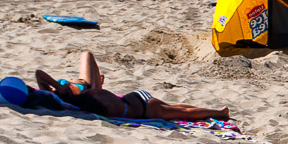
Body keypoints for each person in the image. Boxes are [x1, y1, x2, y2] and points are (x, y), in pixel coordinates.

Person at [36, 51, 229, 122]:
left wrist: (56, 87)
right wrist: (56, 85)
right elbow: (41, 76)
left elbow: (40, 76)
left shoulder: (86, 101)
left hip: (141, 106)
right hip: (139, 102)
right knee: (180, 110)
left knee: (180, 111)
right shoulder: (90, 96)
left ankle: (219, 112)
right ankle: (218, 112)